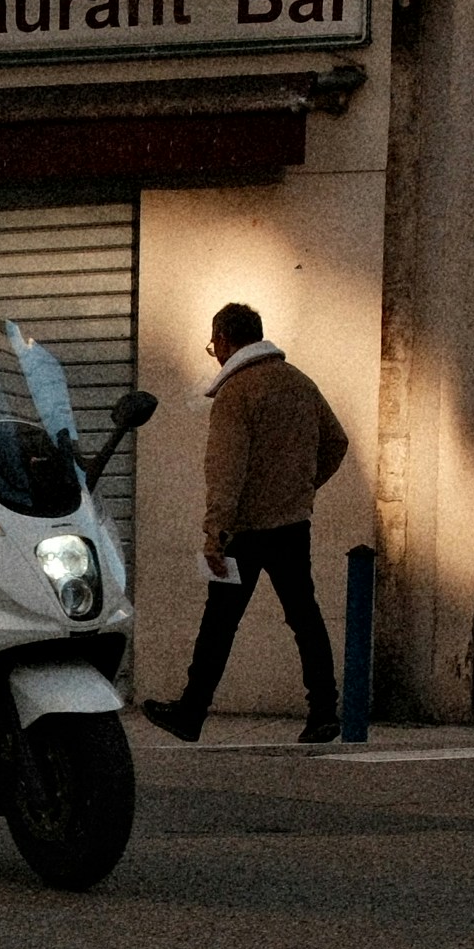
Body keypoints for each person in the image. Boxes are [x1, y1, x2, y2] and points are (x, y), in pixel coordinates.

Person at [150, 300, 352, 746]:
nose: (215, 354)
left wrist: (214, 533)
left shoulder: (237, 393)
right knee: (305, 617)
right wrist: (304, 487)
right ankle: (323, 712)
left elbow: (226, 471)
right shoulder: (300, 383)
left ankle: (191, 712)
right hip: (293, 525)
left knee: (219, 623)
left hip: (243, 530)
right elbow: (336, 441)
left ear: (224, 340)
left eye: (213, 345)